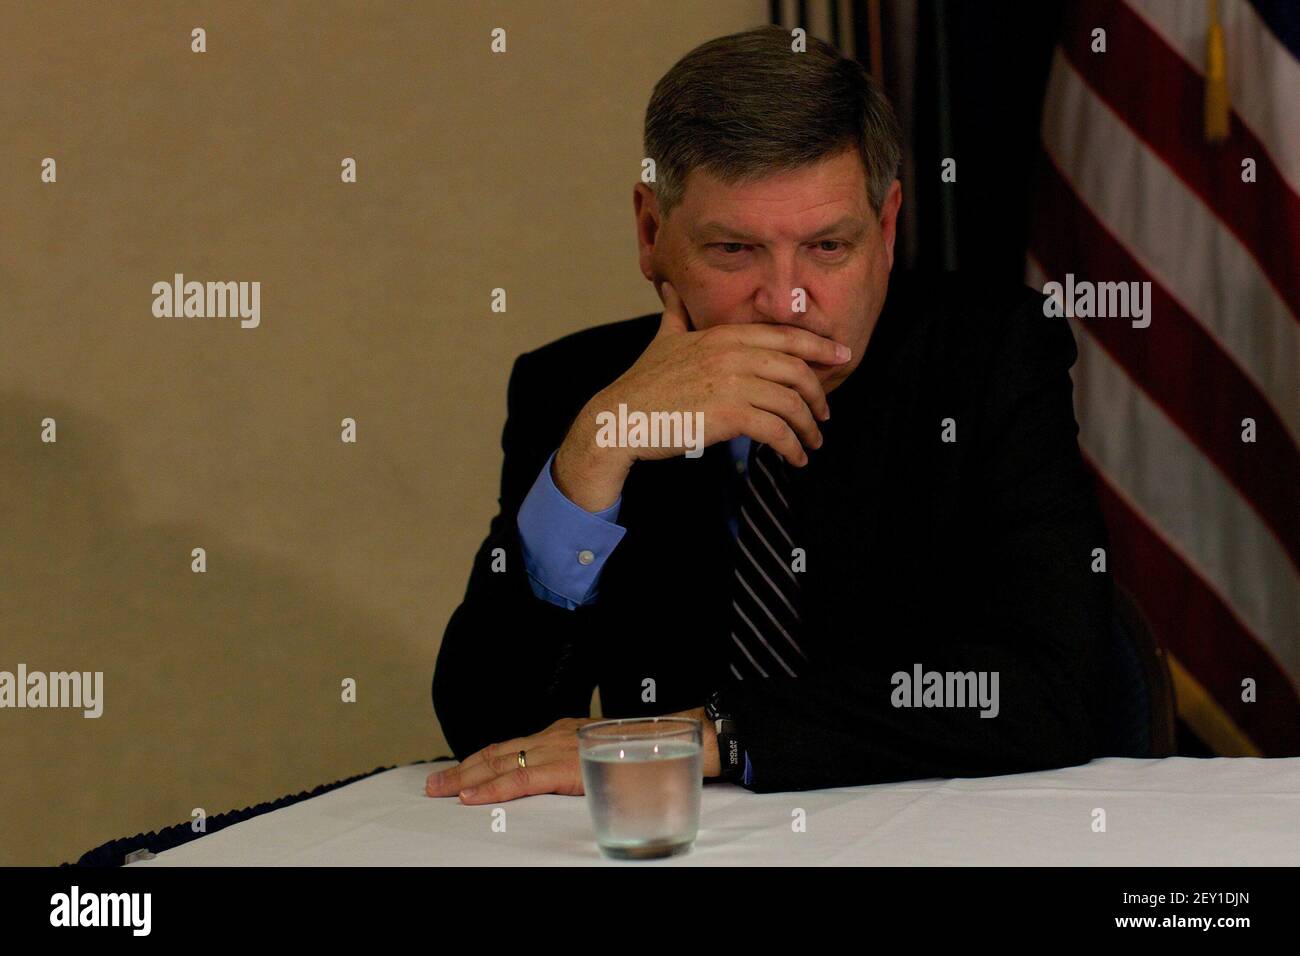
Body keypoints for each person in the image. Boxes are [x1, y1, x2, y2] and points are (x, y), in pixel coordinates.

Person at [427, 24, 1113, 803]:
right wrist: (591, 456)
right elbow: (490, 734)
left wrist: (711, 735)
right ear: (652, 234)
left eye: (828, 247)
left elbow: (1053, 689)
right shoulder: (577, 387)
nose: (785, 301)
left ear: (886, 230)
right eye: (734, 251)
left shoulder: (988, 357)